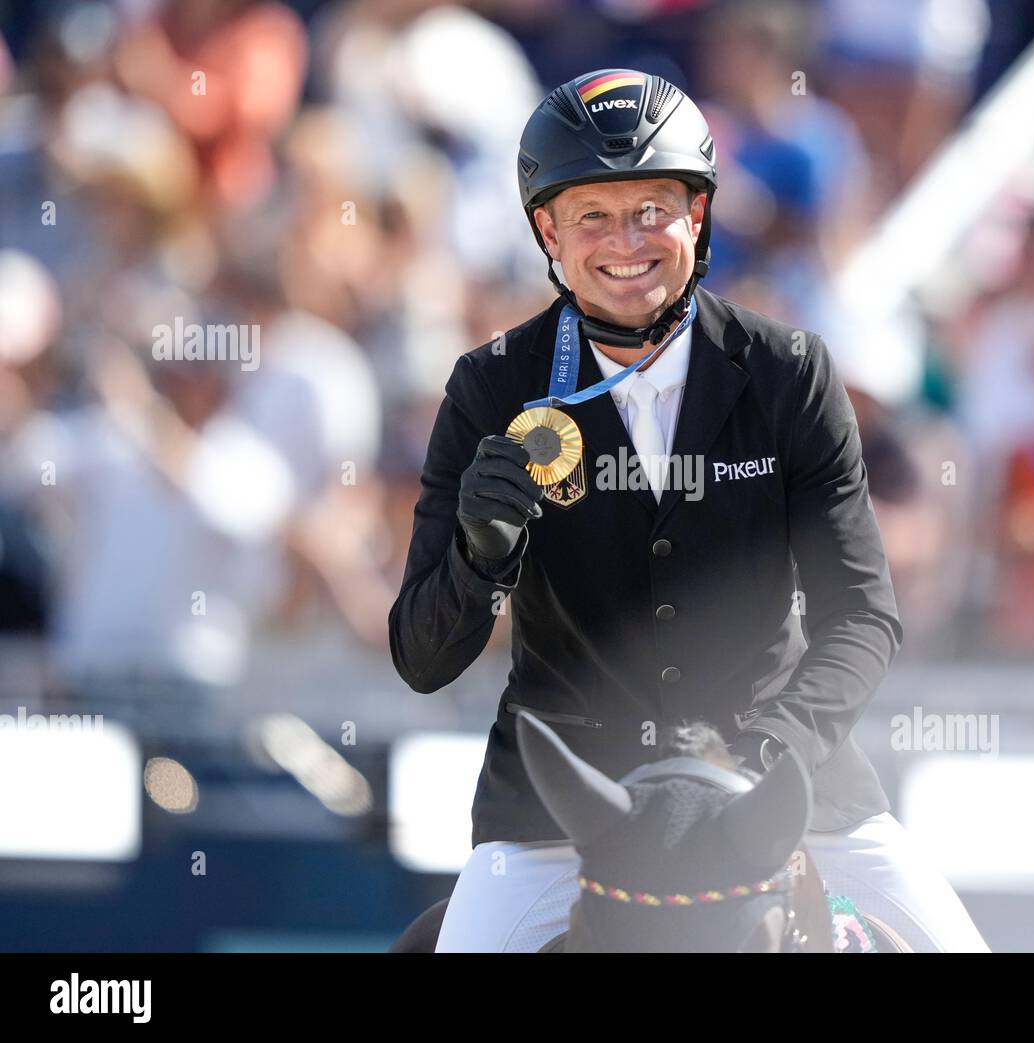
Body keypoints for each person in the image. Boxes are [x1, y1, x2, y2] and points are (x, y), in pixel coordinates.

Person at [388, 69, 989, 952]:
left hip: (780, 793)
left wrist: (769, 755)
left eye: (652, 210)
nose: (625, 240)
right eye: (593, 214)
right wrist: (479, 560)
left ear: (696, 217)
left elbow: (861, 614)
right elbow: (422, 656)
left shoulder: (789, 372)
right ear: (546, 229)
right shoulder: (491, 387)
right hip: (569, 809)